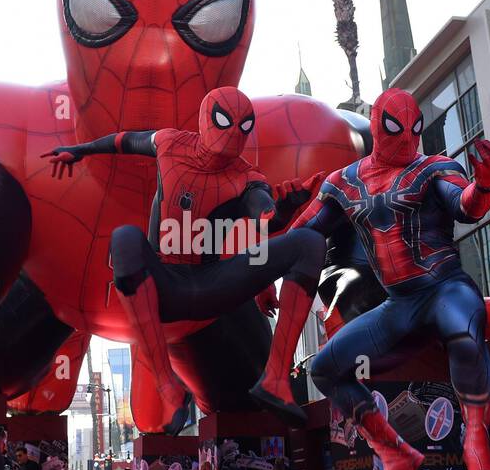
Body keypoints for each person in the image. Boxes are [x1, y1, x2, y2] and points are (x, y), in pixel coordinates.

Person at [43, 86, 326, 434]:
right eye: (225, 122)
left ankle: (276, 378)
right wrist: (79, 150)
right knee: (125, 239)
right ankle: (166, 385)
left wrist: (281, 209)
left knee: (308, 243)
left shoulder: (246, 177)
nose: (233, 135)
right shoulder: (170, 143)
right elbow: (124, 141)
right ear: (208, 118)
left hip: (211, 282)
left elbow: (263, 217)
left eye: (243, 126)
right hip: (165, 279)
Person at [294, 87, 490, 470]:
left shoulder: (435, 167)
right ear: (377, 126)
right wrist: (255, 247)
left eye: (415, 130)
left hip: (444, 287)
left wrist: (486, 184)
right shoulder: (343, 182)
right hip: (398, 305)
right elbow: (303, 233)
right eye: (396, 129)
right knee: (324, 368)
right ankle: (394, 451)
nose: (407, 140)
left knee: (463, 331)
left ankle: (476, 441)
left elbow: (466, 206)